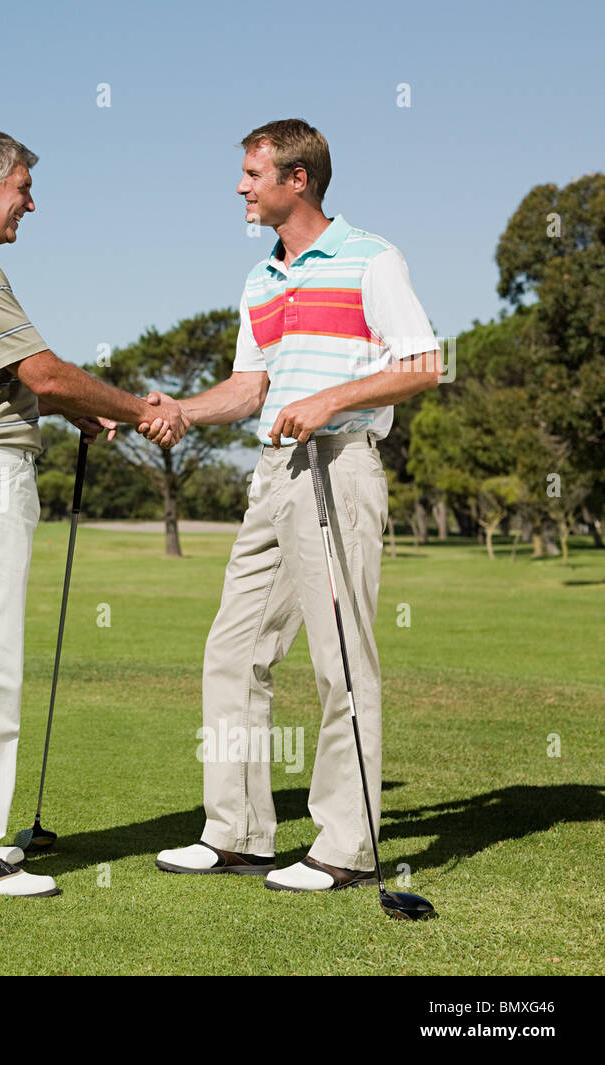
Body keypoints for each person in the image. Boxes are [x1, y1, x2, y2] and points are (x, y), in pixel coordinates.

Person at [148, 119, 441, 892]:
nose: (241, 187)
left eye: (253, 173)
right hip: (273, 477)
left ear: (297, 179)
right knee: (232, 648)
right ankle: (238, 834)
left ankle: (346, 846)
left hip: (338, 468)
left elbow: (423, 363)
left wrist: (330, 400)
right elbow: (251, 388)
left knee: (341, 658)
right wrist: (182, 409)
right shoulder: (260, 279)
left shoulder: (371, 258)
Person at [0, 128, 188, 898]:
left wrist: (64, 413)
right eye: (25, 185)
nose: (33, 201)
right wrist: (135, 407)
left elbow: (8, 383)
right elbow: (45, 372)